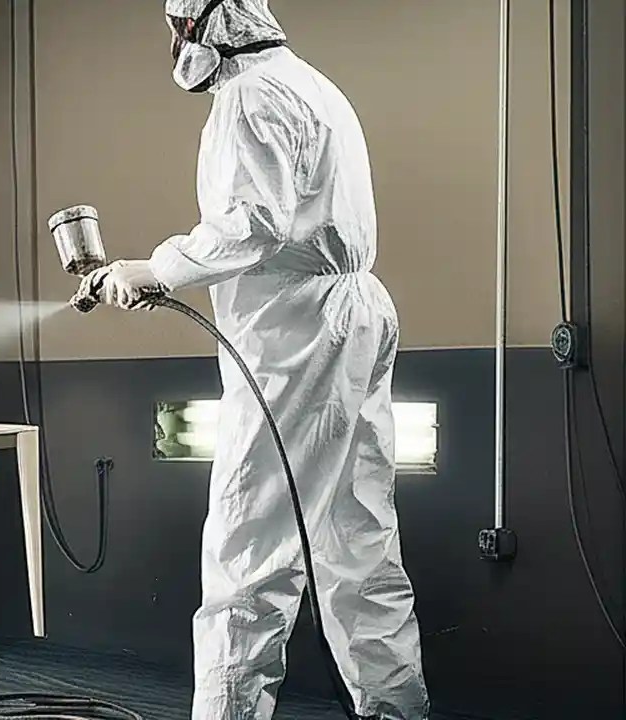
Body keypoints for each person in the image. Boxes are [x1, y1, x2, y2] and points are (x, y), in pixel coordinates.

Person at [73, 1, 431, 718]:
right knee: (357, 544)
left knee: (250, 544)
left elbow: (255, 222)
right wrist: (161, 273)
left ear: (209, 23)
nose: (174, 42)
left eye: (178, 25)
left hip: (297, 335)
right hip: (357, 313)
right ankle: (396, 709)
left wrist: (157, 267)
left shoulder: (249, 95)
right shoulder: (310, 83)